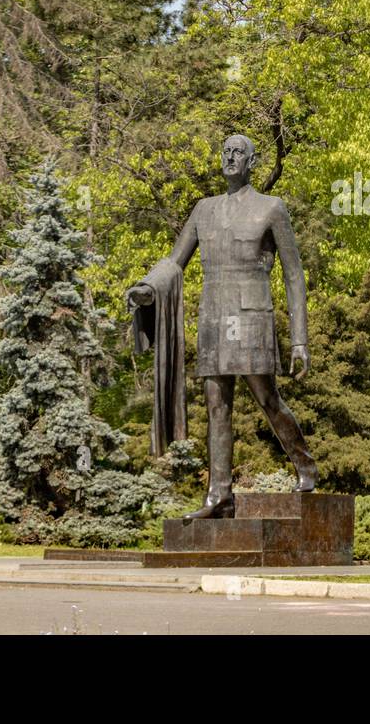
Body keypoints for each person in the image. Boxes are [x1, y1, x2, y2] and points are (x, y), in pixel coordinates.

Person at [127, 134, 315, 520]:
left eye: (238, 153)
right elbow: (175, 261)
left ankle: (306, 465)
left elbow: (294, 277)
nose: (230, 158)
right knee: (216, 406)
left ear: (251, 161)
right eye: (225, 152)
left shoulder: (271, 208)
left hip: (252, 316)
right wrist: (148, 286)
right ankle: (219, 495)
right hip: (214, 316)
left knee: (267, 399)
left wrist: (299, 341)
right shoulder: (204, 210)